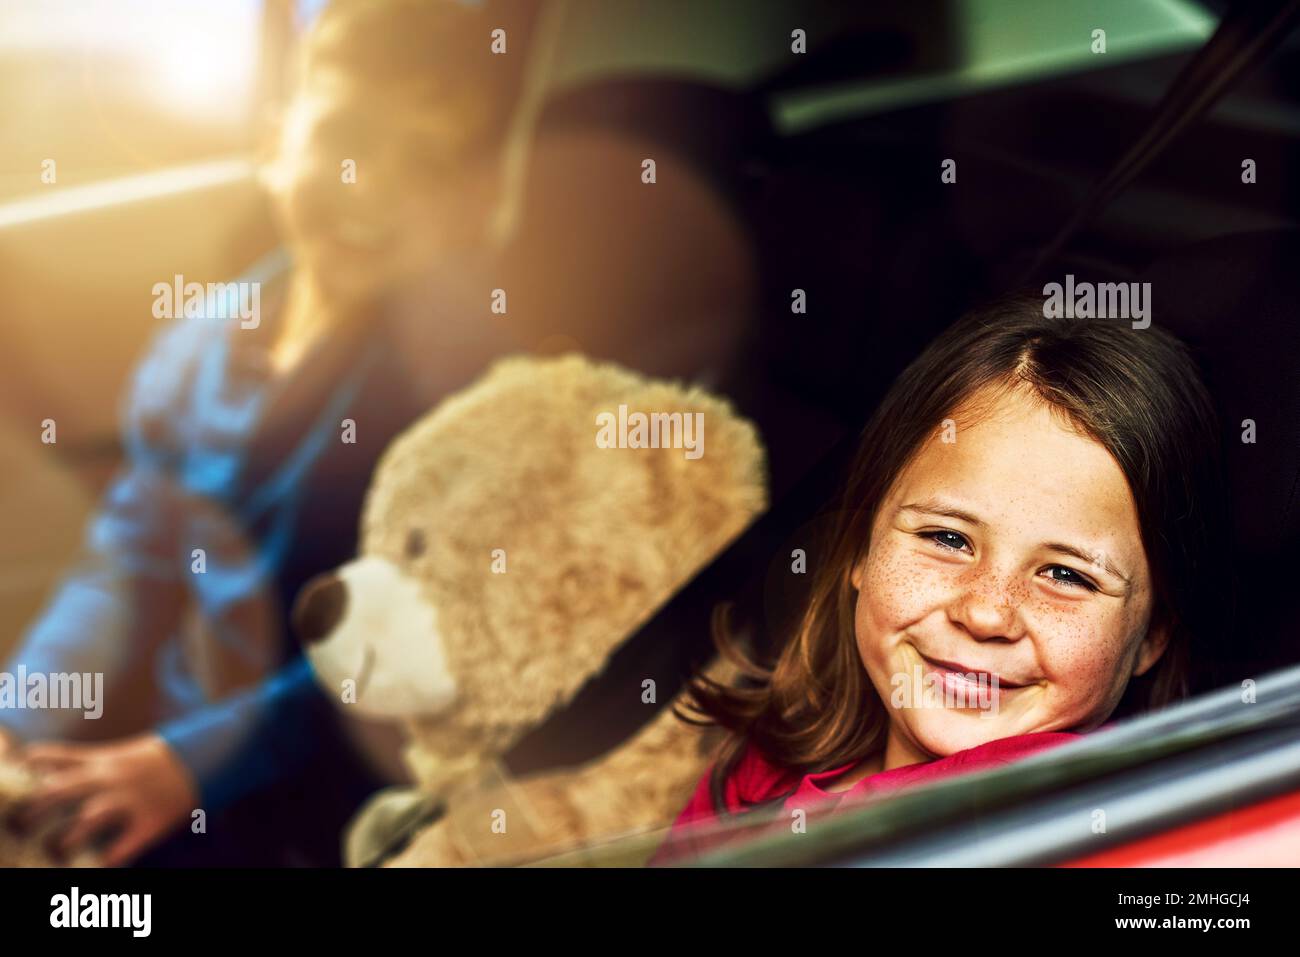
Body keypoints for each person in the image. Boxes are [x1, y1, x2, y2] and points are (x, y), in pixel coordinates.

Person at [0, 0, 537, 866]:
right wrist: (20, 713)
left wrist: (192, 764)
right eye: (348, 136)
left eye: (427, 163)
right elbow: (128, 563)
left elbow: (430, 639)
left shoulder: (457, 385)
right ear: (274, 143)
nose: (375, 183)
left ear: (475, 205)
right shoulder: (207, 339)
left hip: (343, 777)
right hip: (183, 759)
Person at [650, 295, 1231, 865]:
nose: (984, 613)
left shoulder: (1072, 805)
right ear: (861, 549)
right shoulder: (764, 762)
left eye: (1065, 574)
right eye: (946, 539)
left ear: (1152, 634)